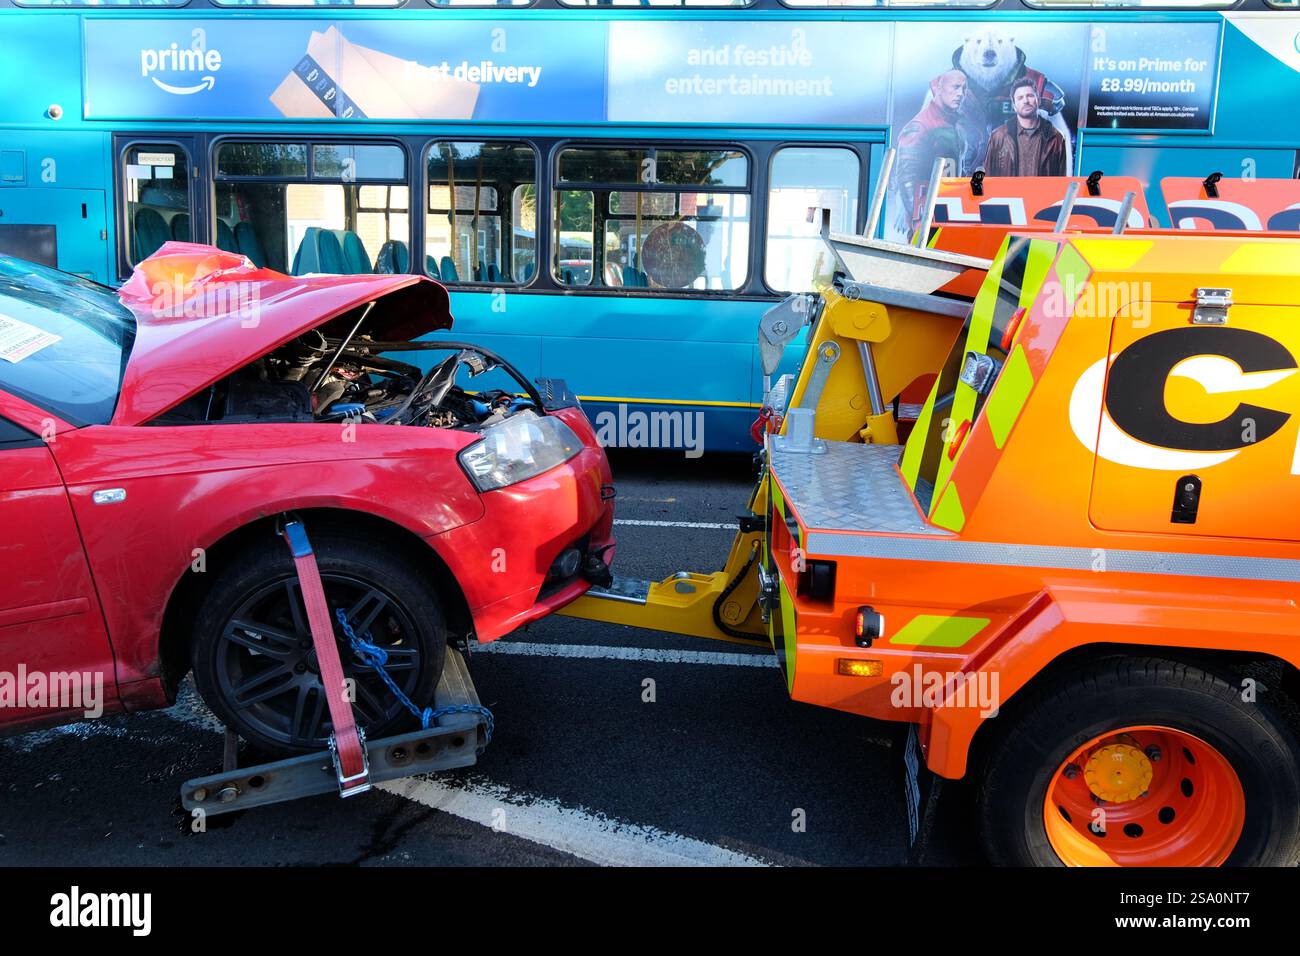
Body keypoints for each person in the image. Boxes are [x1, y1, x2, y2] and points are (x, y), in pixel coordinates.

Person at [893, 70, 968, 238]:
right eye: (955, 87)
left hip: (946, 219)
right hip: (928, 226)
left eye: (963, 89)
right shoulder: (920, 126)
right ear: (938, 89)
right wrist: (921, 224)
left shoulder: (955, 126)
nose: (960, 94)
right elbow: (907, 178)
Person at [983, 77, 1067, 177]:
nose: (1026, 101)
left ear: (1038, 101)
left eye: (1030, 96)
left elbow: (1060, 181)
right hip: (1007, 193)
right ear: (1014, 105)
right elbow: (988, 178)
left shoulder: (1056, 138)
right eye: (1020, 98)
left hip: (1042, 193)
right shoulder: (997, 137)